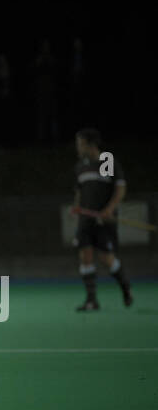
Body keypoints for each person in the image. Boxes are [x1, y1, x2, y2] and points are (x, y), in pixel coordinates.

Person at [72, 129, 132, 311]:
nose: (78, 147)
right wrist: (76, 207)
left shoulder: (106, 161)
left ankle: (125, 287)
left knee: (106, 259)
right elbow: (79, 192)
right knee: (85, 256)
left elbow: (120, 188)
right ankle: (91, 300)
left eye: (80, 143)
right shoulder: (80, 166)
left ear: (90, 145)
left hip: (103, 220)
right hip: (85, 219)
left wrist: (109, 210)